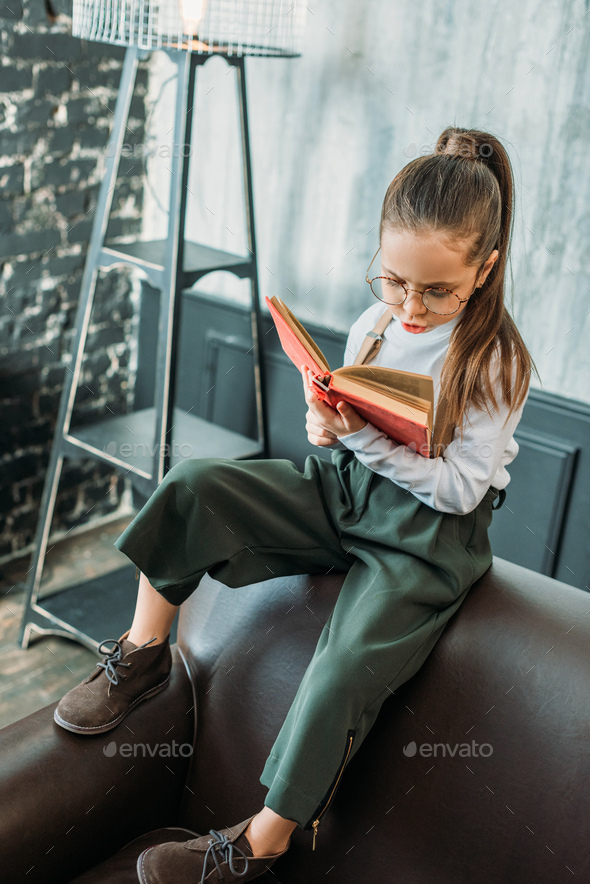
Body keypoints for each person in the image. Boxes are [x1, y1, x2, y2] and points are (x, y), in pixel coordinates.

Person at [54, 126, 537, 884]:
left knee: (343, 667)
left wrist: (361, 440)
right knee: (197, 483)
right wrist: (326, 425)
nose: (410, 306)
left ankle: (261, 844)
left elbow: (461, 489)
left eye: (437, 290)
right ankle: (143, 655)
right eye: (393, 280)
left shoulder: (496, 362)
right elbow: (348, 431)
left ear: (486, 268)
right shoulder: (376, 323)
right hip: (347, 492)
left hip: (430, 538)